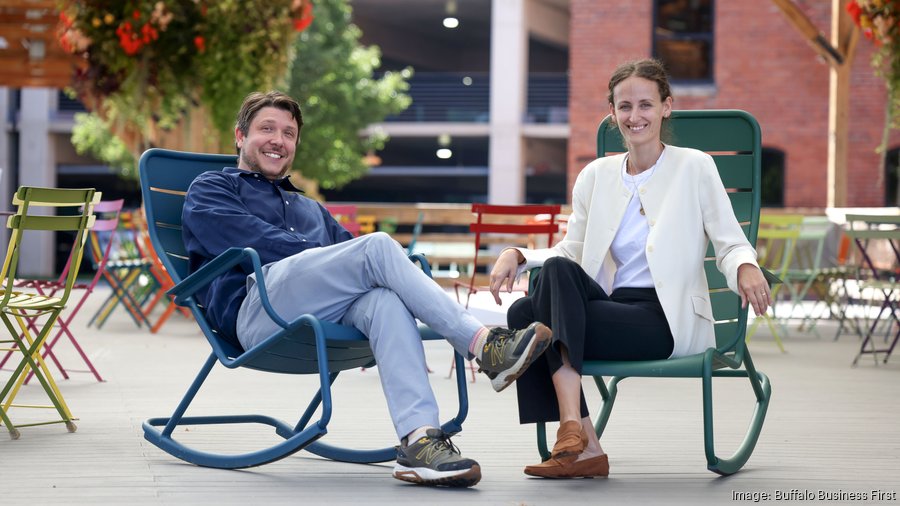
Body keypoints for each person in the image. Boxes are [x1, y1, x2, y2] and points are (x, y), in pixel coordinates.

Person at [182, 90, 552, 488]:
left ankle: (419, 440)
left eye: (288, 133)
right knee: (375, 247)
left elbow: (356, 262)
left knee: (383, 299)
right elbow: (254, 240)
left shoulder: (309, 209)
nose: (278, 140)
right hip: (257, 311)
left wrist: (340, 259)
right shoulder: (212, 187)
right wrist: (328, 256)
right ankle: (482, 345)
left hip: (313, 317)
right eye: (267, 129)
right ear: (240, 136)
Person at [488, 59, 771, 479]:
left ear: (666, 107)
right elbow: (572, 250)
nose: (634, 116)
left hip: (663, 319)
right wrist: (518, 254)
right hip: (611, 308)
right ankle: (584, 440)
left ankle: (574, 433)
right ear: (612, 112)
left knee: (528, 319)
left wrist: (745, 265)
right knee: (529, 305)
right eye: (624, 106)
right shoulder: (595, 175)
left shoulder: (694, 166)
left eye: (645, 105)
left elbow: (729, 241)